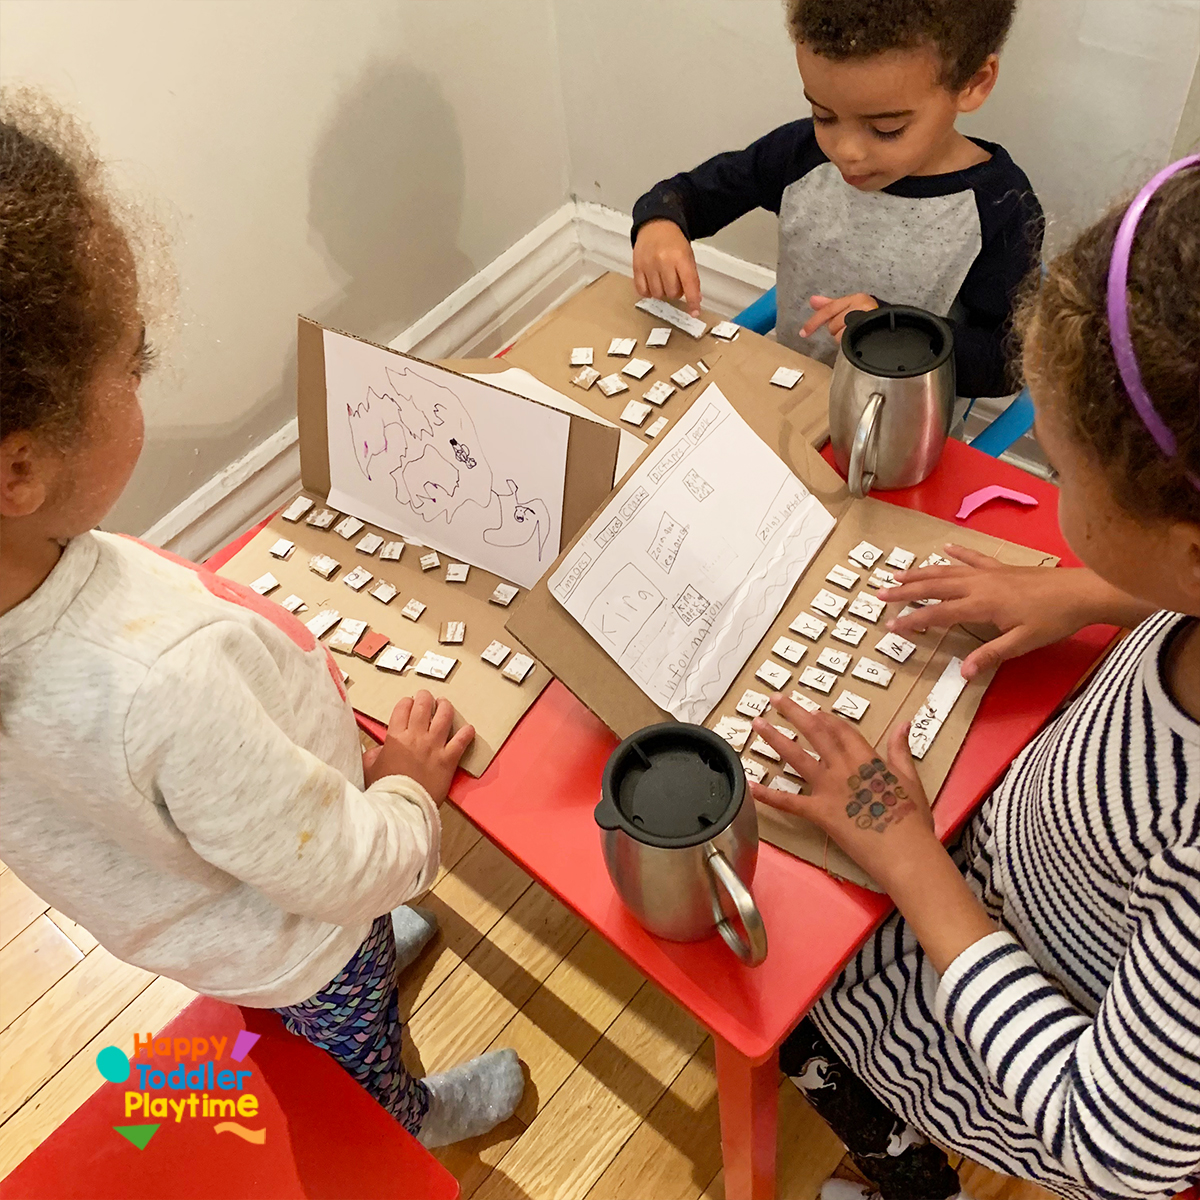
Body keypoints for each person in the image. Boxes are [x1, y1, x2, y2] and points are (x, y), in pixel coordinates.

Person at [0, 95, 523, 1149]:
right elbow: (333, 863)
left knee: (337, 954)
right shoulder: (165, 684)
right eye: (132, 363)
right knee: (351, 1042)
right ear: (18, 467)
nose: (145, 385)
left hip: (203, 909)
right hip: (292, 933)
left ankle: (363, 959)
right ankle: (408, 1119)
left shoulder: (62, 606)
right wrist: (409, 801)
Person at [752, 158, 1200, 1200]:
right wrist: (1090, 592)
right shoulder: (1172, 584)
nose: (1040, 455)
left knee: (791, 988)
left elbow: (1115, 1144)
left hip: (1019, 1034)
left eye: (1061, 463)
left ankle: (907, 1173)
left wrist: (913, 864)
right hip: (1020, 874)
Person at [631, 0, 1041, 400]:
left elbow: (1007, 361)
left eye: (886, 128)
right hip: (787, 395)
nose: (845, 151)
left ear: (973, 83)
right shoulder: (801, 154)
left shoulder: (999, 206)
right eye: (823, 115)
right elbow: (693, 193)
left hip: (897, 433)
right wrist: (660, 222)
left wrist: (895, 332)